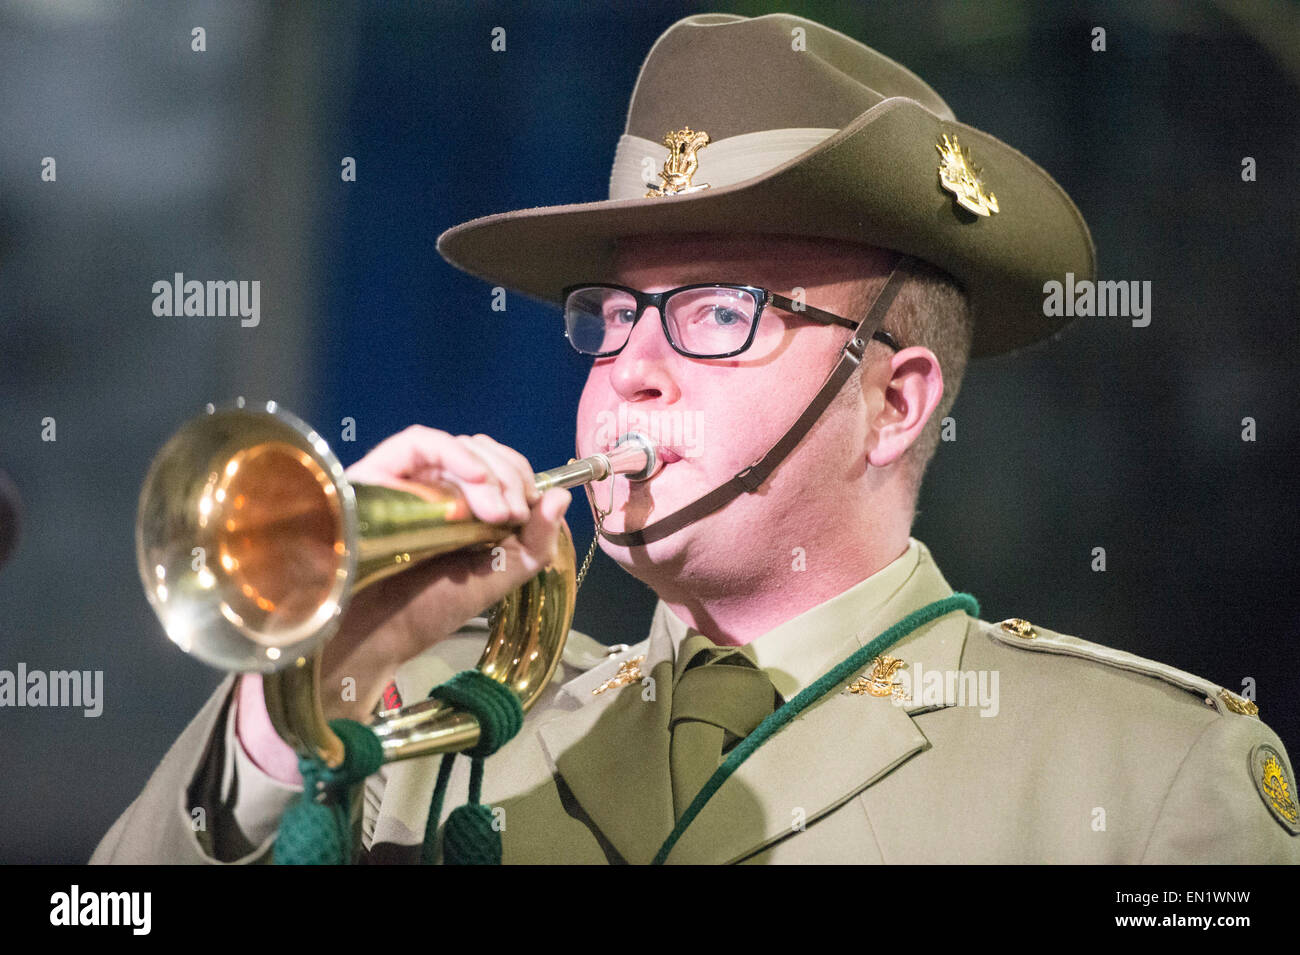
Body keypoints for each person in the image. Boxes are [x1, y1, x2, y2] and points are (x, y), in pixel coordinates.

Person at [93, 12, 1299, 864]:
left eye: (717, 312)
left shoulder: (1142, 775)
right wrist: (283, 715)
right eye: (615, 315)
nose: (633, 368)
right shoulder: (411, 715)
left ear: (897, 400)